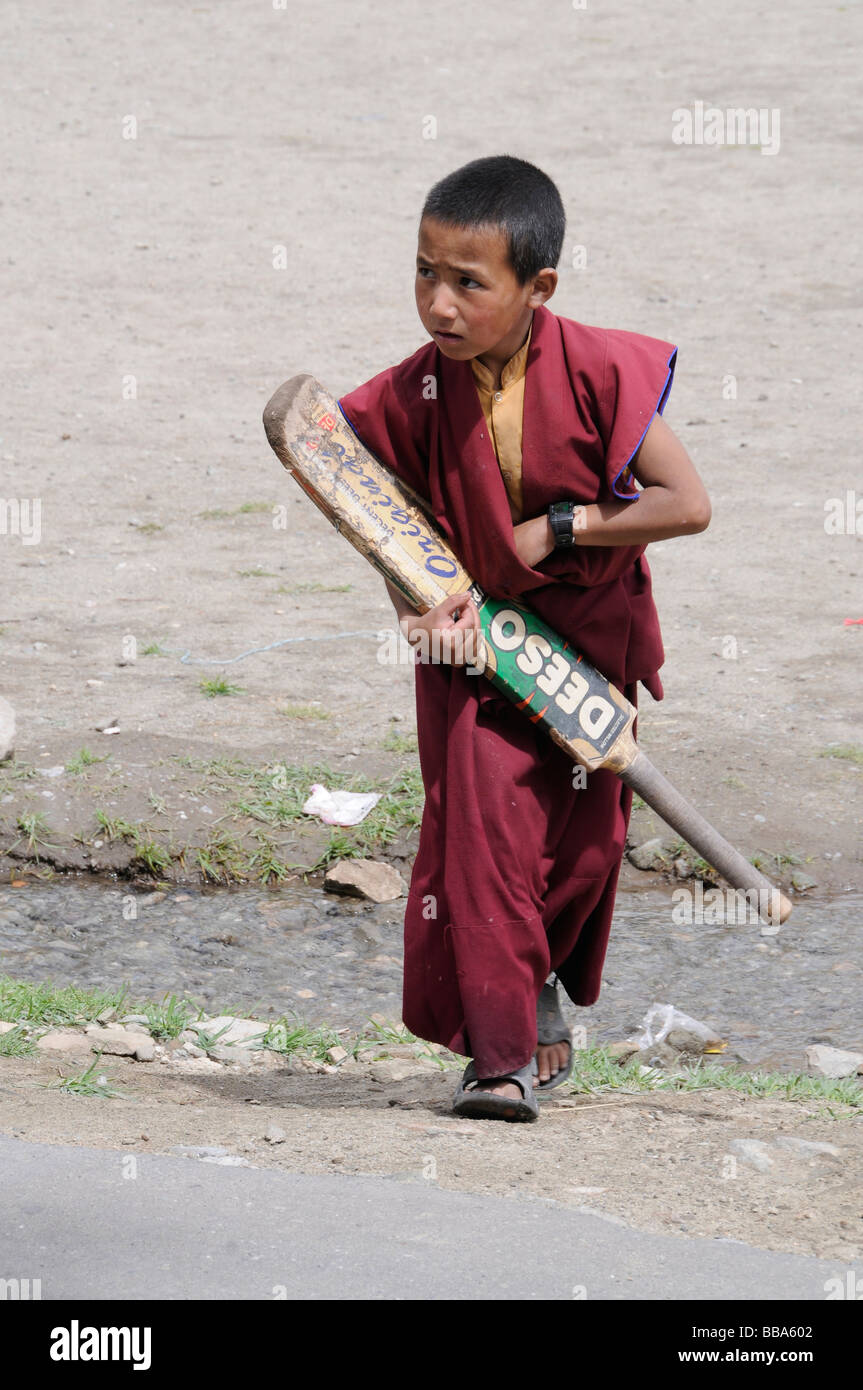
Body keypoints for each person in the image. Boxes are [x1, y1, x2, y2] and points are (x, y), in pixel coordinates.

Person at [339, 155, 710, 1121]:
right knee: (483, 843)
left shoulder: (596, 372)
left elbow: (687, 503)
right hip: (478, 654)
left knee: (582, 850)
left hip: (584, 650)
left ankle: (537, 981)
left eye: (469, 283)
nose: (439, 304)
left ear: (537, 287)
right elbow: (387, 526)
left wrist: (565, 527)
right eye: (424, 272)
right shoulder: (410, 394)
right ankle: (496, 1059)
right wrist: (418, 617)